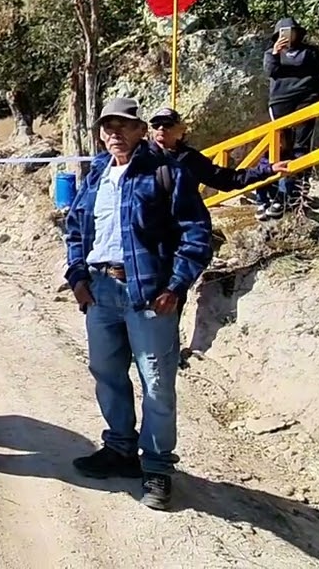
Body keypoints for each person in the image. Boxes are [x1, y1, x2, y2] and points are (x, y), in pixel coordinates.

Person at [64, 97, 213, 511]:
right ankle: (120, 450)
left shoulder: (166, 172)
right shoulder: (96, 174)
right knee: (106, 371)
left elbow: (197, 234)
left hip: (149, 295)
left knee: (157, 383)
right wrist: (76, 276)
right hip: (100, 291)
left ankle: (159, 467)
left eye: (124, 126)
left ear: (140, 130)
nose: (115, 133)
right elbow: (76, 227)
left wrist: (177, 285)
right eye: (108, 126)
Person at [257, 17, 319, 219]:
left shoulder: (310, 52)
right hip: (280, 102)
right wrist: (276, 53)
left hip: (305, 100)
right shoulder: (271, 53)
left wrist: (314, 95)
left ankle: (290, 194)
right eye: (282, 32)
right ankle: (268, 195)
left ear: (298, 32)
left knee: (301, 148)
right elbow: (270, 72)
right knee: (279, 148)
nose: (287, 35)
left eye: (290, 31)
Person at [148, 107, 290, 192]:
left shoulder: (191, 159)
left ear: (180, 131)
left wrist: (267, 169)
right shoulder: (138, 155)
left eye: (167, 124)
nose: (161, 129)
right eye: (156, 125)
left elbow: (228, 180)